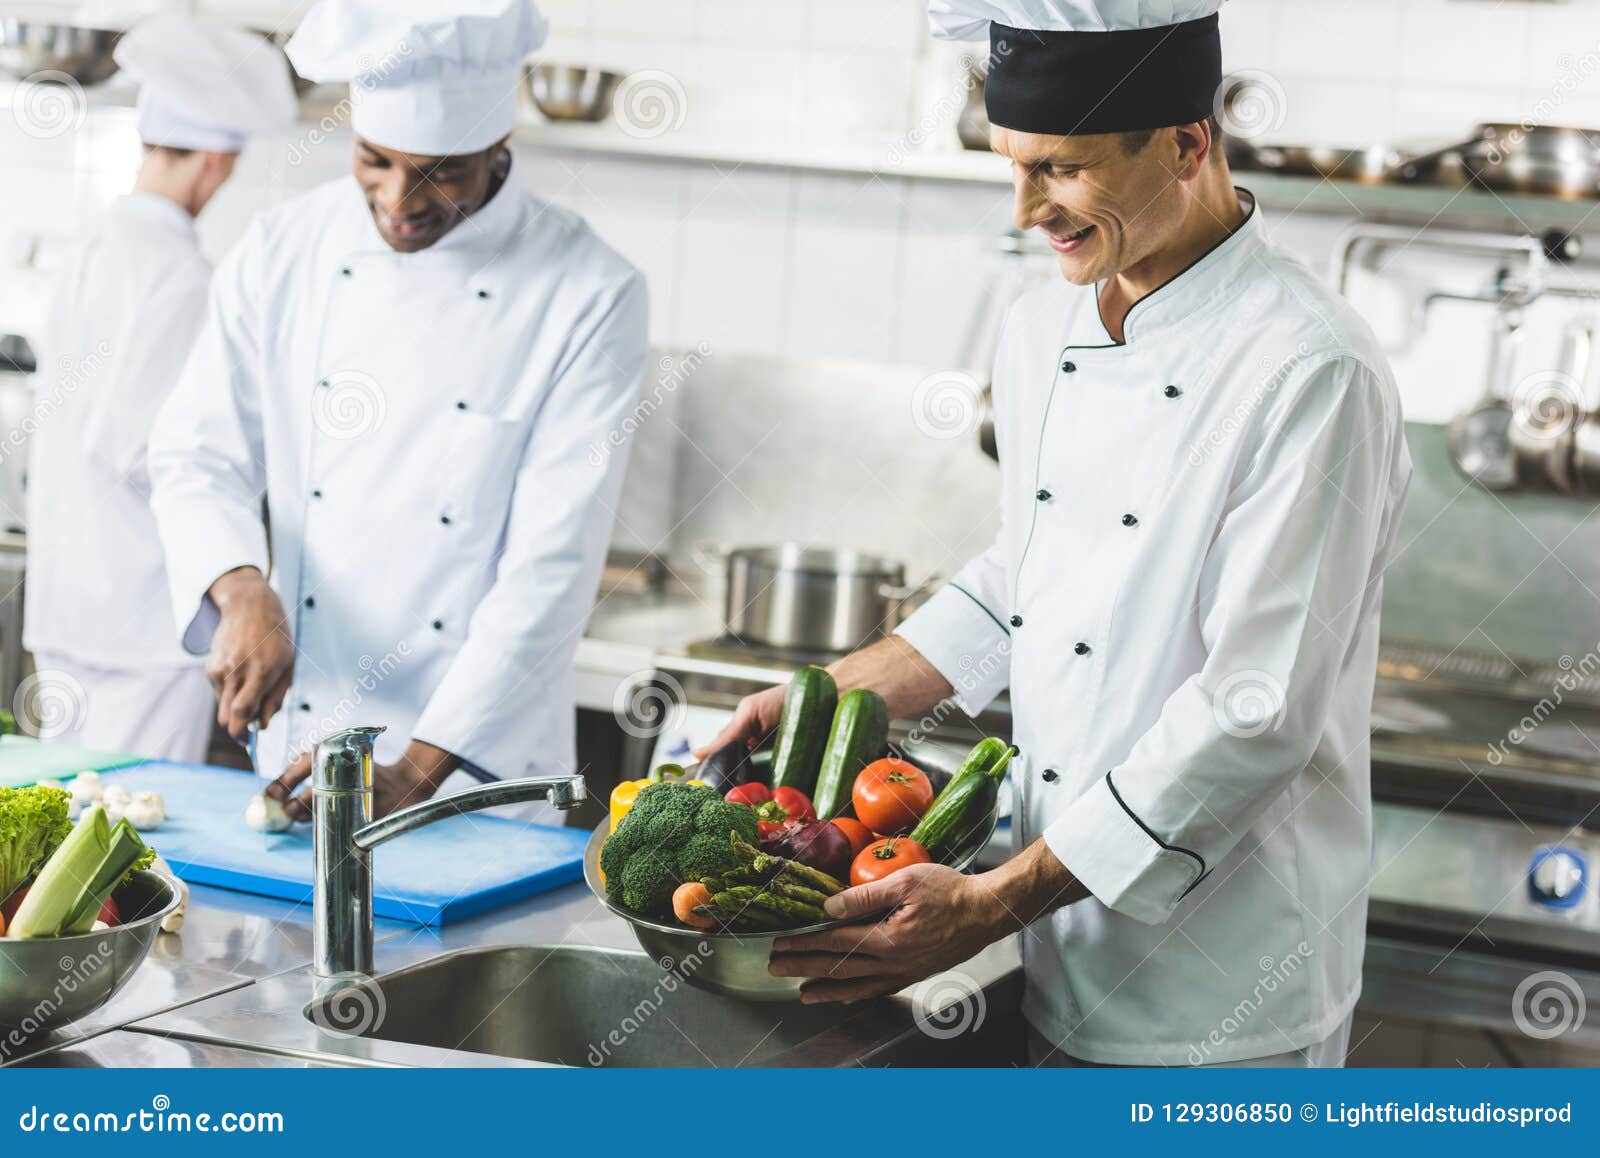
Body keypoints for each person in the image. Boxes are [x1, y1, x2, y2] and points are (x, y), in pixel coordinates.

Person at [705, 0, 1411, 1068]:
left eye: (1063, 170)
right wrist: (831, 696)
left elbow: (1252, 711)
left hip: (1222, 992)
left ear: (1186, 144)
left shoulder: (1310, 369)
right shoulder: (1045, 325)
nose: (1029, 208)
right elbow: (1017, 585)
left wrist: (991, 902)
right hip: (1058, 943)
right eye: (1013, 165)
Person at [146, 0, 647, 817]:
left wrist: (415, 772)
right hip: (303, 745)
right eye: (374, 159)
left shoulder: (589, 290)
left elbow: (550, 570)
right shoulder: (284, 248)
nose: (398, 198)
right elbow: (196, 454)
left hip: (476, 778)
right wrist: (242, 591)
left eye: (441, 171)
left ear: (498, 148)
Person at [23, 16, 298, 761]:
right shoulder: (181, 278)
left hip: (71, 606)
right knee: (125, 839)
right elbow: (147, 446)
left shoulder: (92, 247)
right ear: (217, 159)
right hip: (137, 619)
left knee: (59, 837)